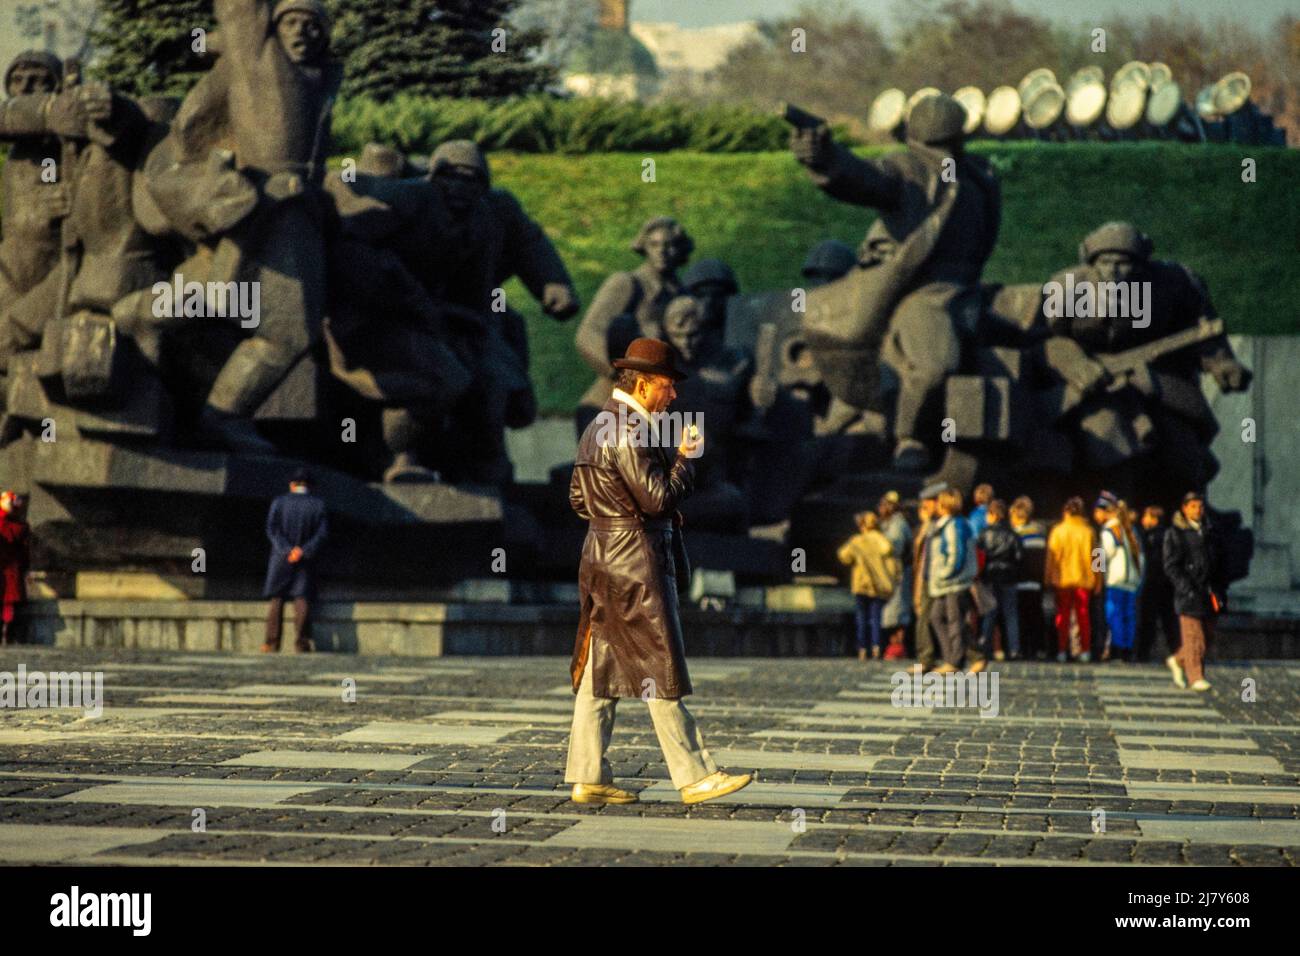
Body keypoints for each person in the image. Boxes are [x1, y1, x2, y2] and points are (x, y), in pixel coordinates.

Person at [566, 337, 752, 806]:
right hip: (636, 563)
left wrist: (610, 516)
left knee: (599, 668)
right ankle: (696, 776)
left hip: (602, 556)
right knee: (659, 664)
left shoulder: (598, 425)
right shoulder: (631, 429)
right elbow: (658, 499)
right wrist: (687, 458)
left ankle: (588, 775)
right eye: (668, 387)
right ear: (645, 384)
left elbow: (576, 498)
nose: (673, 396)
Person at [790, 93, 1001, 471]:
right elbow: (866, 180)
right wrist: (825, 160)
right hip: (924, 291)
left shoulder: (978, 174)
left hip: (970, 289)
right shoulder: (909, 168)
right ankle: (910, 437)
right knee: (935, 364)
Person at [262, 468, 329, 653]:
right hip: (305, 559)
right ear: (309, 485)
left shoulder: (279, 502)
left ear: (292, 484)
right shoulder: (318, 505)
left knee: (277, 599)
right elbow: (322, 534)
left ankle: (271, 643)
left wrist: (287, 549)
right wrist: (303, 550)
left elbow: (272, 529)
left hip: (281, 558)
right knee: (301, 599)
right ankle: (302, 643)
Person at [1162, 491, 1223, 692]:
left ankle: (1178, 660)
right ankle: (1195, 676)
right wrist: (1185, 587)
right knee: (1193, 637)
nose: (1198, 510)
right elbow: (1171, 565)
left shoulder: (1208, 531)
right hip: (1188, 593)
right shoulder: (1175, 533)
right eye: (1193, 506)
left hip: (1207, 592)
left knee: (1206, 637)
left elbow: (1216, 561)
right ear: (1184, 508)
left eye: (1200, 506)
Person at [927, 488, 980, 674]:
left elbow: (956, 554)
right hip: (946, 583)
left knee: (955, 621)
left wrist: (945, 573)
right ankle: (953, 657)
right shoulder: (953, 524)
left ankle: (955, 661)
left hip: (953, 582)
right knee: (936, 617)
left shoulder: (953, 526)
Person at [837, 511, 901, 660]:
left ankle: (862, 648)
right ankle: (877, 647)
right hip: (879, 585)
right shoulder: (883, 540)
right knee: (876, 617)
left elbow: (843, 556)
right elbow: (892, 561)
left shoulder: (857, 541)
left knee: (861, 617)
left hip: (862, 584)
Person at [1046, 496, 1100, 662]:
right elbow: (1098, 557)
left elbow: (1051, 558)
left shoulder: (1058, 531)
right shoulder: (1090, 531)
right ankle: (1085, 650)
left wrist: (1048, 577)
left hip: (1062, 580)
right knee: (1083, 616)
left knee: (1062, 616)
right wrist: (1099, 579)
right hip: (1084, 580)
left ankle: (1062, 650)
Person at [1097, 494, 1143, 662]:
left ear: (1106, 512)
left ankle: (1117, 649)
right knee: (1128, 616)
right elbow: (1141, 558)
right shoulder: (1131, 531)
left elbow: (1101, 555)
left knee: (1114, 615)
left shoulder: (1109, 531)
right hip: (1131, 581)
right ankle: (1127, 649)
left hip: (1115, 580)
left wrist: (1097, 575)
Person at [977, 499, 1023, 660]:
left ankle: (984, 645)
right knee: (1011, 614)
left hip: (990, 576)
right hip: (1009, 577)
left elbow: (979, 556)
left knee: (990, 612)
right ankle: (1014, 648)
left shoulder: (984, 533)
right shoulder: (1013, 533)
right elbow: (1019, 557)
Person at [909, 481, 946, 674]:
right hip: (926, 578)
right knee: (928, 617)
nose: (923, 510)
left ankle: (930, 658)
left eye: (926, 505)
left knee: (937, 618)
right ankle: (928, 657)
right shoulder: (928, 525)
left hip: (936, 578)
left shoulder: (938, 524)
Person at [1137, 505, 1179, 662]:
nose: (1143, 520)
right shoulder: (1169, 534)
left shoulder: (1151, 536)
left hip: (1151, 581)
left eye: (1146, 516)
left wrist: (1097, 575)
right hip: (1165, 582)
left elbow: (1098, 555)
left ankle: (1137, 652)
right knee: (1168, 620)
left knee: (1149, 619)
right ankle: (1175, 650)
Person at [1009, 496, 1049, 659]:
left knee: (1023, 616)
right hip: (1041, 580)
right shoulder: (1092, 531)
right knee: (1037, 615)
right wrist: (1099, 576)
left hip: (1022, 581)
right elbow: (1097, 552)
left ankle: (1026, 648)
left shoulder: (1016, 535)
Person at [877, 490, 913, 660]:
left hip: (898, 573)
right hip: (889, 574)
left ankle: (897, 646)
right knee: (892, 612)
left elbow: (895, 548)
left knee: (897, 613)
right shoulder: (888, 523)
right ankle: (893, 645)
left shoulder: (897, 524)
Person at [0, 492, 31, 646]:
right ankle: (7, 633)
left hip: (9, 570)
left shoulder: (10, 524)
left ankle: (7, 633)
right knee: (8, 606)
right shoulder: (16, 526)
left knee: (7, 605)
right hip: (10, 570)